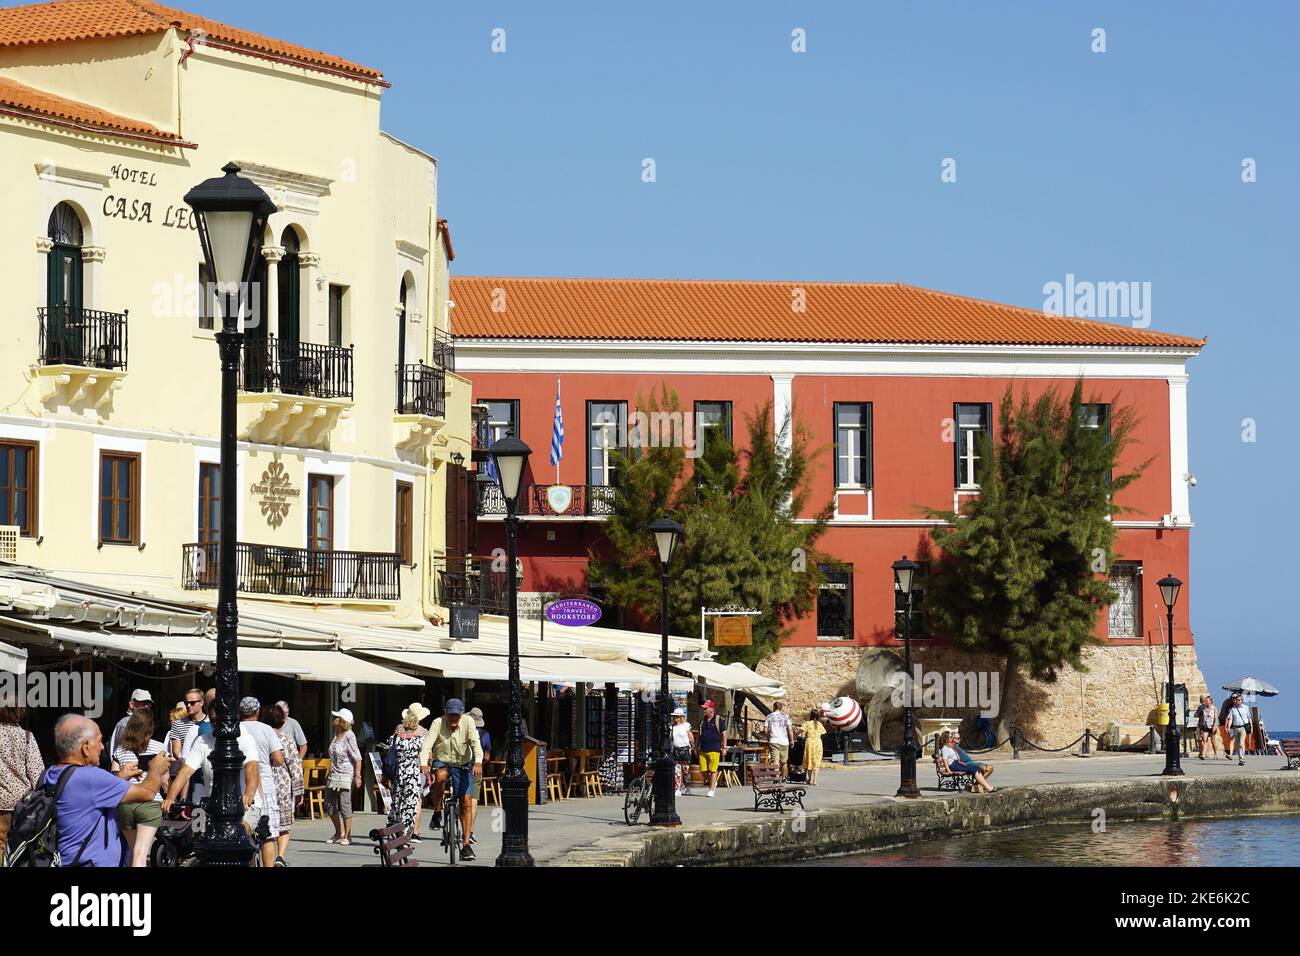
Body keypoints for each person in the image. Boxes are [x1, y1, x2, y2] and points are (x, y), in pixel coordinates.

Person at [42, 714, 166, 867]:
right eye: (100, 740)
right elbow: (147, 792)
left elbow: (87, 798)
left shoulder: (51, 773)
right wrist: (156, 769)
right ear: (85, 747)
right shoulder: (91, 777)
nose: (102, 747)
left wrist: (120, 777)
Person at [163, 720, 262, 850]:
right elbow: (185, 772)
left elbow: (252, 768)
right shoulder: (202, 741)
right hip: (211, 804)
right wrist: (170, 797)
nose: (218, 724)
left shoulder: (245, 738)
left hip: (245, 805)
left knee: (238, 836)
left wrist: (248, 794)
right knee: (196, 836)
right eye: (215, 720)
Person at [419, 698, 483, 862]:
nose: (453, 719)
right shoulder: (437, 723)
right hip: (443, 760)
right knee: (440, 776)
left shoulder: (468, 722)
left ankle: (467, 844)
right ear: (445, 713)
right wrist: (423, 763)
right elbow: (427, 744)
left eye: (457, 715)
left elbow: (475, 742)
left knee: (467, 802)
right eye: (451, 715)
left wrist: (478, 762)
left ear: (461, 714)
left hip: (463, 763)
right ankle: (438, 810)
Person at [110, 709, 167, 867]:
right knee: (141, 852)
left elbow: (114, 777)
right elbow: (164, 780)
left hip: (125, 803)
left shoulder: (120, 750)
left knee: (133, 851)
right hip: (150, 802)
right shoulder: (159, 749)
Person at [237, 697, 284, 866]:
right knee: (267, 834)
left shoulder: (235, 728)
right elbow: (279, 758)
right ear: (258, 712)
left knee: (243, 832)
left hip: (241, 787)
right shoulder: (266, 729)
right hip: (265, 787)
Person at [0, 704, 44, 859]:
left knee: (0, 845)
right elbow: (37, 774)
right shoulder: (26, 736)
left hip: (1, 805)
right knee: (21, 847)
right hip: (23, 804)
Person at [262, 704, 303, 866]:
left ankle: (266, 857)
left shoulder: (260, 737)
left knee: (265, 824)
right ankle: (281, 856)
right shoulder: (287, 739)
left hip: (264, 784)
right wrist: (299, 790)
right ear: (283, 721)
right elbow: (295, 765)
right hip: (284, 785)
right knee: (284, 825)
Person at [384, 703, 429, 839]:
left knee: (397, 804)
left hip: (399, 775)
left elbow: (390, 748)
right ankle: (406, 835)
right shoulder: (422, 735)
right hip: (413, 776)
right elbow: (427, 754)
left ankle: (393, 830)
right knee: (411, 806)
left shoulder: (397, 734)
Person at [324, 707, 362, 846]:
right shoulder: (336, 734)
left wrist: (357, 776)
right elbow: (332, 756)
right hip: (333, 774)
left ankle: (348, 835)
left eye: (337, 718)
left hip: (346, 775)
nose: (334, 719)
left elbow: (358, 758)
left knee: (345, 805)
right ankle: (338, 832)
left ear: (342, 722)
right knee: (329, 803)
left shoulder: (349, 736)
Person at [467, 706, 490, 842]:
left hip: (461, 766)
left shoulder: (463, 731)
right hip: (477, 767)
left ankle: (460, 825)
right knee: (473, 799)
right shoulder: (485, 735)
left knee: (461, 798)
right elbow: (487, 756)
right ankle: (469, 830)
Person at [696, 699, 728, 797]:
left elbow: (724, 733)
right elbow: (699, 734)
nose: (704, 710)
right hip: (703, 749)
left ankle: (711, 790)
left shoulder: (719, 720)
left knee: (713, 770)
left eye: (706, 708)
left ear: (711, 709)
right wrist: (696, 746)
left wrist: (724, 747)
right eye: (704, 708)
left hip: (714, 748)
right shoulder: (702, 721)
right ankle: (713, 782)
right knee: (703, 770)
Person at [109, 688, 153, 756]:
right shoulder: (126, 723)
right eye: (143, 703)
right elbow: (125, 751)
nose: (147, 706)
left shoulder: (147, 723)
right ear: (132, 704)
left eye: (148, 703)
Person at [764, 701, 794, 778]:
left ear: (774, 707)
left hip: (774, 740)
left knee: (775, 761)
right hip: (784, 741)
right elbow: (790, 730)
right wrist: (792, 740)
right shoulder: (786, 716)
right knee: (784, 762)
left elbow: (765, 730)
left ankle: (776, 778)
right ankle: (784, 778)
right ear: (781, 708)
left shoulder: (769, 716)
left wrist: (768, 737)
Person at [671, 708, 695, 795]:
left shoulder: (686, 725)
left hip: (685, 749)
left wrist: (693, 745)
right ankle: (677, 789)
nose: (675, 718)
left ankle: (688, 786)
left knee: (686, 770)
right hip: (676, 749)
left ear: (681, 717)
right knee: (676, 771)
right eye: (674, 716)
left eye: (677, 716)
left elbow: (690, 736)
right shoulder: (672, 727)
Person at [1224, 693, 1252, 766]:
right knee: (1237, 744)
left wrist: (1251, 726)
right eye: (1237, 700)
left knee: (1241, 743)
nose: (1238, 701)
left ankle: (1241, 759)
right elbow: (1230, 719)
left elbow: (1249, 718)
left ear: (1242, 700)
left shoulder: (1246, 708)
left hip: (1243, 727)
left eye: (1240, 700)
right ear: (1235, 701)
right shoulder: (1233, 709)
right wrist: (1228, 727)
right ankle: (1240, 758)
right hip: (1235, 728)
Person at [799, 709, 826, 785]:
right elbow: (824, 732)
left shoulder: (807, 724)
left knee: (809, 760)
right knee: (816, 762)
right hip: (818, 743)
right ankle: (815, 780)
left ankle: (810, 779)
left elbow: (802, 733)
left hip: (809, 742)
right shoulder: (820, 724)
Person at [1194, 696, 1220, 760]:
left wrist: (1215, 726)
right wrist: (1201, 724)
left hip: (1212, 726)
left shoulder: (1214, 708)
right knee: (1204, 740)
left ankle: (1215, 753)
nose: (1206, 701)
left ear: (1211, 701)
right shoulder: (1204, 709)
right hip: (1205, 726)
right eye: (1206, 700)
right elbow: (1203, 717)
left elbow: (1216, 718)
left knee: (1212, 741)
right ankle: (1203, 754)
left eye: (1208, 700)